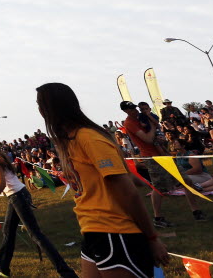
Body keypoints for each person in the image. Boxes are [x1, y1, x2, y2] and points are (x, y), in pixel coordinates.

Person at [38, 83, 168, 278]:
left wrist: (152, 238)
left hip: (115, 231)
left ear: (54, 107)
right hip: (91, 230)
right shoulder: (69, 140)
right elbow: (124, 176)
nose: (39, 110)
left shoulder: (88, 138)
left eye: (41, 104)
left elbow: (128, 193)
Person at [0, 134, 76, 277]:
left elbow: (3, 183)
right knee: (8, 231)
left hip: (18, 196)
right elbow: (3, 178)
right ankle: (3, 266)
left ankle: (67, 273)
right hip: (17, 195)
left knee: (35, 234)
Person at [121, 100, 205, 227]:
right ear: (126, 111)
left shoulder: (141, 118)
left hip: (163, 154)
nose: (135, 110)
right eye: (132, 109)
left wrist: (157, 133)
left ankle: (196, 211)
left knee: (186, 180)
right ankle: (158, 218)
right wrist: (153, 128)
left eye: (135, 108)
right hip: (153, 158)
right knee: (159, 188)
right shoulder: (130, 123)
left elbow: (156, 130)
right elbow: (148, 139)